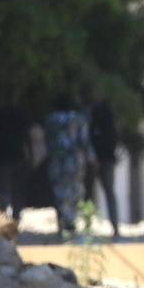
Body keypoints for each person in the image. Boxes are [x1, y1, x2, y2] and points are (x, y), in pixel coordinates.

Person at [43, 94, 96, 233]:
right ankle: (71, 220)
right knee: (75, 190)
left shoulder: (50, 119)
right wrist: (91, 158)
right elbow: (84, 141)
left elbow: (47, 140)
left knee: (58, 191)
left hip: (56, 161)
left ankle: (61, 220)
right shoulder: (78, 119)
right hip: (75, 161)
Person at [83, 86, 121, 237]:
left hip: (94, 159)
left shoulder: (88, 112)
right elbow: (116, 134)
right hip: (107, 157)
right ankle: (115, 227)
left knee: (89, 193)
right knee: (109, 192)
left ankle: (88, 228)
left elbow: (85, 138)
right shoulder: (108, 112)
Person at [0, 98, 32, 217]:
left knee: (3, 187)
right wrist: (30, 155)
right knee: (16, 187)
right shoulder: (20, 112)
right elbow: (27, 136)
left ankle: (4, 213)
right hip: (16, 155)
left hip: (2, 155)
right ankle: (14, 213)